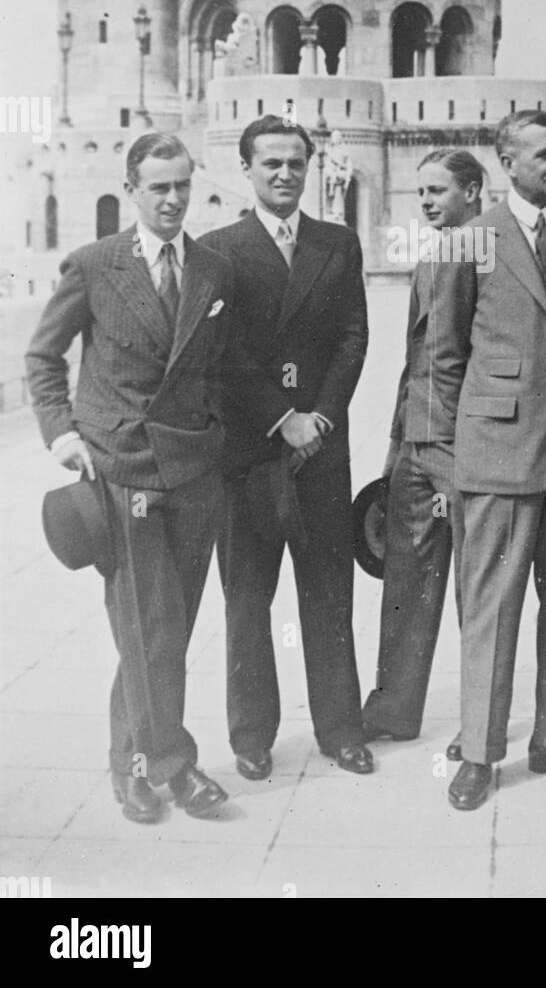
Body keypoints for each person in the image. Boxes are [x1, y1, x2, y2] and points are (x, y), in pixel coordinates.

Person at [25, 134, 233, 823]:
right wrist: (61, 433)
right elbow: (43, 357)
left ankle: (129, 760)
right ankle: (170, 767)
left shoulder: (212, 269)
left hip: (196, 471)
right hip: (124, 468)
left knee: (165, 632)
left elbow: (228, 367)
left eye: (182, 185)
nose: (173, 199)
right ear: (133, 189)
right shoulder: (94, 265)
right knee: (148, 628)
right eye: (158, 188)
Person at [429, 110, 546, 811]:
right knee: (490, 607)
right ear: (507, 163)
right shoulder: (468, 244)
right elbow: (442, 360)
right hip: (496, 450)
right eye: (542, 155)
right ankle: (478, 752)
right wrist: (449, 460)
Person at [201, 116, 370, 780]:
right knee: (247, 595)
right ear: (246, 169)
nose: (284, 173)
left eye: (295, 162)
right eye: (270, 163)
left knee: (328, 589)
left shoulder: (337, 243)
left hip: (321, 449)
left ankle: (341, 729)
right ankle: (251, 735)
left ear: (309, 167)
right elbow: (225, 352)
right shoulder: (218, 250)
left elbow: (353, 337)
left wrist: (321, 416)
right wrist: (283, 418)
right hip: (250, 450)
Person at [362, 149, 483, 752]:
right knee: (406, 579)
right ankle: (393, 710)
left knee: (476, 592)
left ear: (473, 189)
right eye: (421, 193)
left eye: (438, 190)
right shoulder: (434, 255)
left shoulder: (486, 256)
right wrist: (394, 443)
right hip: (416, 443)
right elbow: (416, 362)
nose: (428, 202)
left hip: (463, 449)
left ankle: (480, 725)